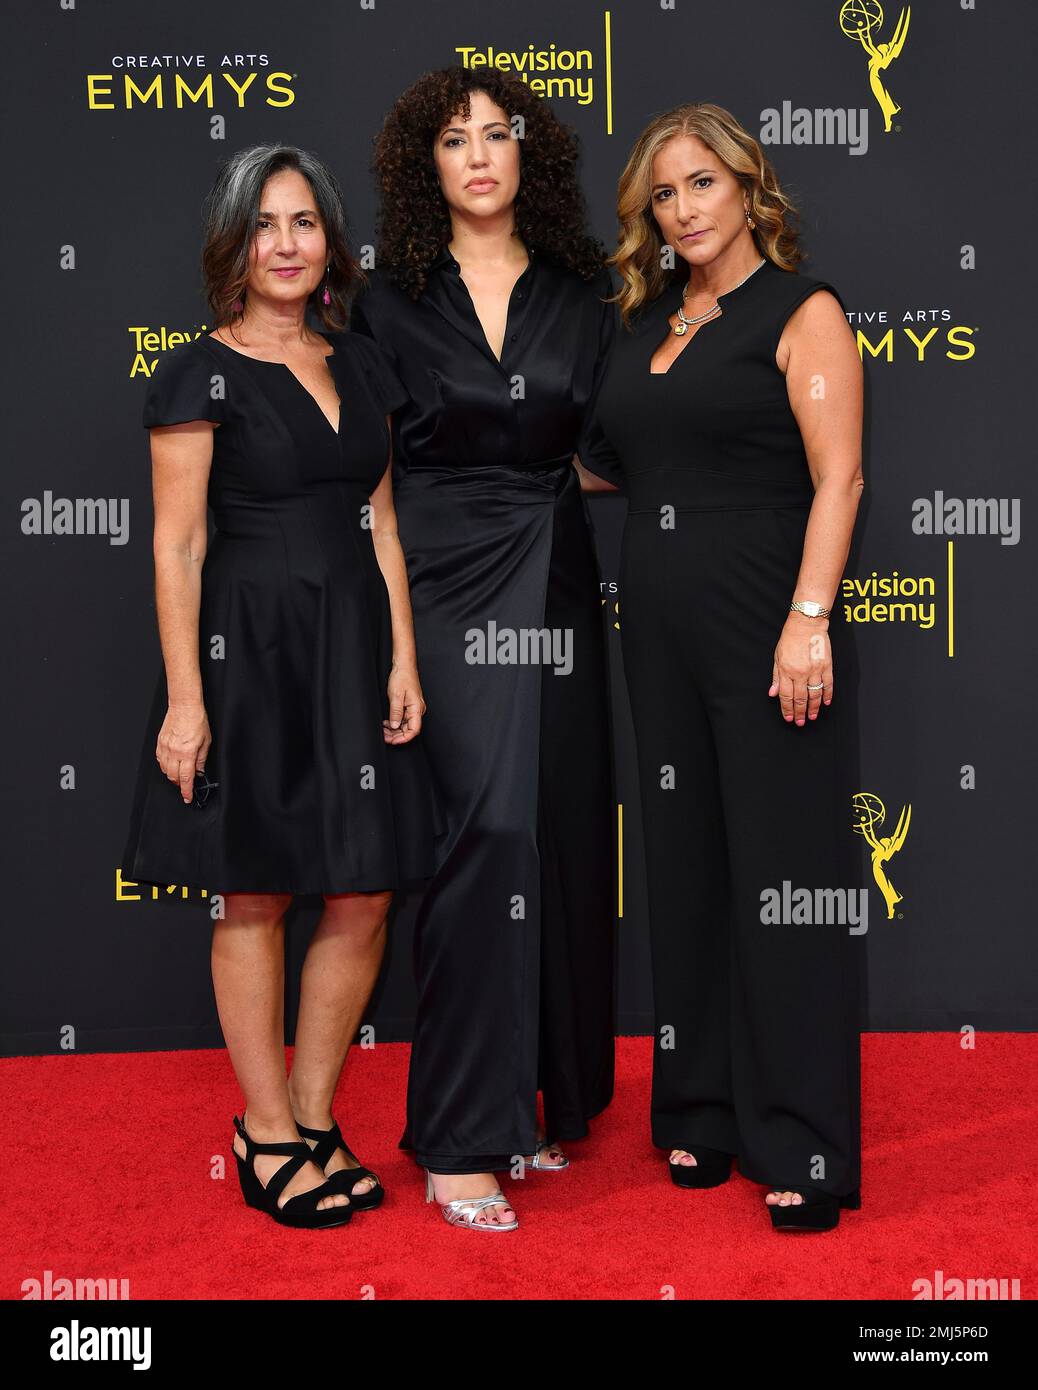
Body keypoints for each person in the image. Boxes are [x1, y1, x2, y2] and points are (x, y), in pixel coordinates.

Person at [121, 144, 442, 1230]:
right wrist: (184, 697)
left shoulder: (362, 365)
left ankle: (311, 1114)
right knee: (254, 887)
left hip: (354, 644)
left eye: (305, 222)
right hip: (247, 650)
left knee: (363, 887)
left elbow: (386, 523)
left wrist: (402, 655)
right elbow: (176, 547)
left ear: (329, 241)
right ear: (234, 242)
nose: (289, 244)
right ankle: (260, 1133)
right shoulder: (196, 371)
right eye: (266, 224)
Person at [581, 103, 865, 1232]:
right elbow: (618, 462)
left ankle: (802, 1138)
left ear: (751, 188)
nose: (684, 208)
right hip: (654, 625)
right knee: (685, 868)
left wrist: (808, 621)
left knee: (783, 881)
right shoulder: (650, 321)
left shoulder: (803, 311)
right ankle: (699, 1108)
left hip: (764, 621)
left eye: (702, 183)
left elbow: (837, 478)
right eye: (663, 193)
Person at [350, 68, 617, 1230]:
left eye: (496, 136)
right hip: (444, 575)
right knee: (482, 831)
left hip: (554, 563)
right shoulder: (387, 297)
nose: (477, 156)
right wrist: (390, 633)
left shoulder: (582, 288)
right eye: (453, 140)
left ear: (529, 157)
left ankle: (537, 1103)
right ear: (428, 166)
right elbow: (367, 483)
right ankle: (461, 1132)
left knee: (556, 827)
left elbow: (616, 441)